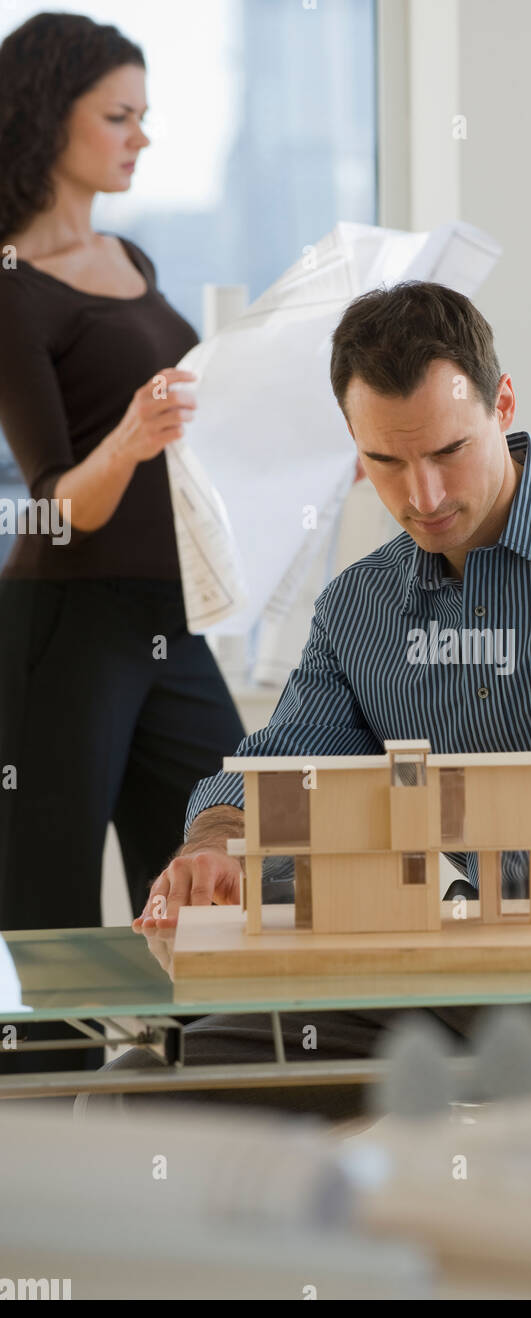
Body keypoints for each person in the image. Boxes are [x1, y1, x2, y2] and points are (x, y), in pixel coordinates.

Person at [87, 280, 531, 1117]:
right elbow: (282, 764)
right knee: (139, 1097)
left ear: (502, 403)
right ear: (353, 443)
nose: (422, 497)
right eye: (386, 462)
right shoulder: (359, 605)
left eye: (447, 451)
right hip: (421, 977)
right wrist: (215, 837)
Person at [0, 13, 245, 1076]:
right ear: (49, 117)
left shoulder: (129, 256)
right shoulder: (11, 283)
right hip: (63, 621)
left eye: (145, 115)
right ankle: (39, 1138)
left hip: (167, 614)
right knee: (46, 903)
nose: (140, 137)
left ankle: (213, 1082)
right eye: (119, 116)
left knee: (226, 834)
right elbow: (54, 501)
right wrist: (137, 434)